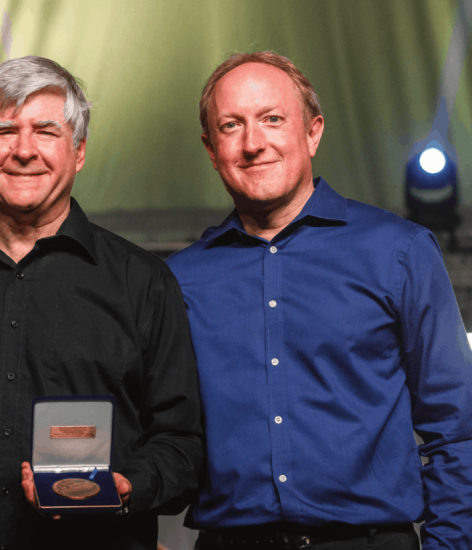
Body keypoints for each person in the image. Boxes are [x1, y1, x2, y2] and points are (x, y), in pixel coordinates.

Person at [166, 51, 472, 550]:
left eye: (272, 119)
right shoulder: (180, 280)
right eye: (231, 126)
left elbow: (457, 427)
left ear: (313, 132)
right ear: (210, 147)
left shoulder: (398, 251)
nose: (253, 143)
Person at [0, 55, 204, 550]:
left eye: (46, 131)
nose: (24, 150)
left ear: (79, 151)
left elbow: (182, 445)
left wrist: (127, 485)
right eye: (3, 131)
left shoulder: (143, 283)